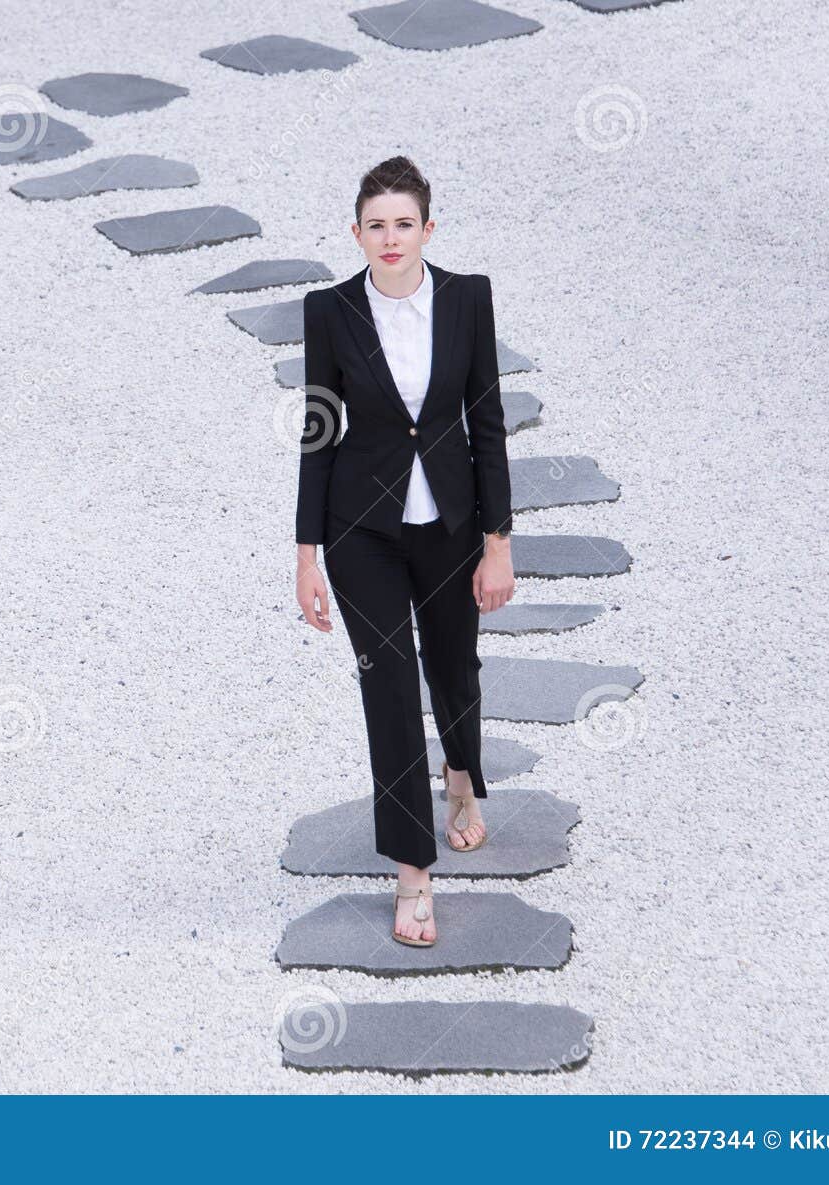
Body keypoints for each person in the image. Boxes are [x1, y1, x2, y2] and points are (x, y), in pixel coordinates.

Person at [294, 156, 516, 948]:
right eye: (376, 225)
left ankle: (461, 778)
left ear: (429, 229)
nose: (390, 238)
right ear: (356, 233)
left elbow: (485, 420)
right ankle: (412, 871)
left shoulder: (467, 299)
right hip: (363, 532)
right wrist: (306, 553)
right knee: (388, 687)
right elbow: (319, 431)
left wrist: (498, 544)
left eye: (404, 223)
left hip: (454, 527)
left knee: (454, 665)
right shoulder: (328, 311)